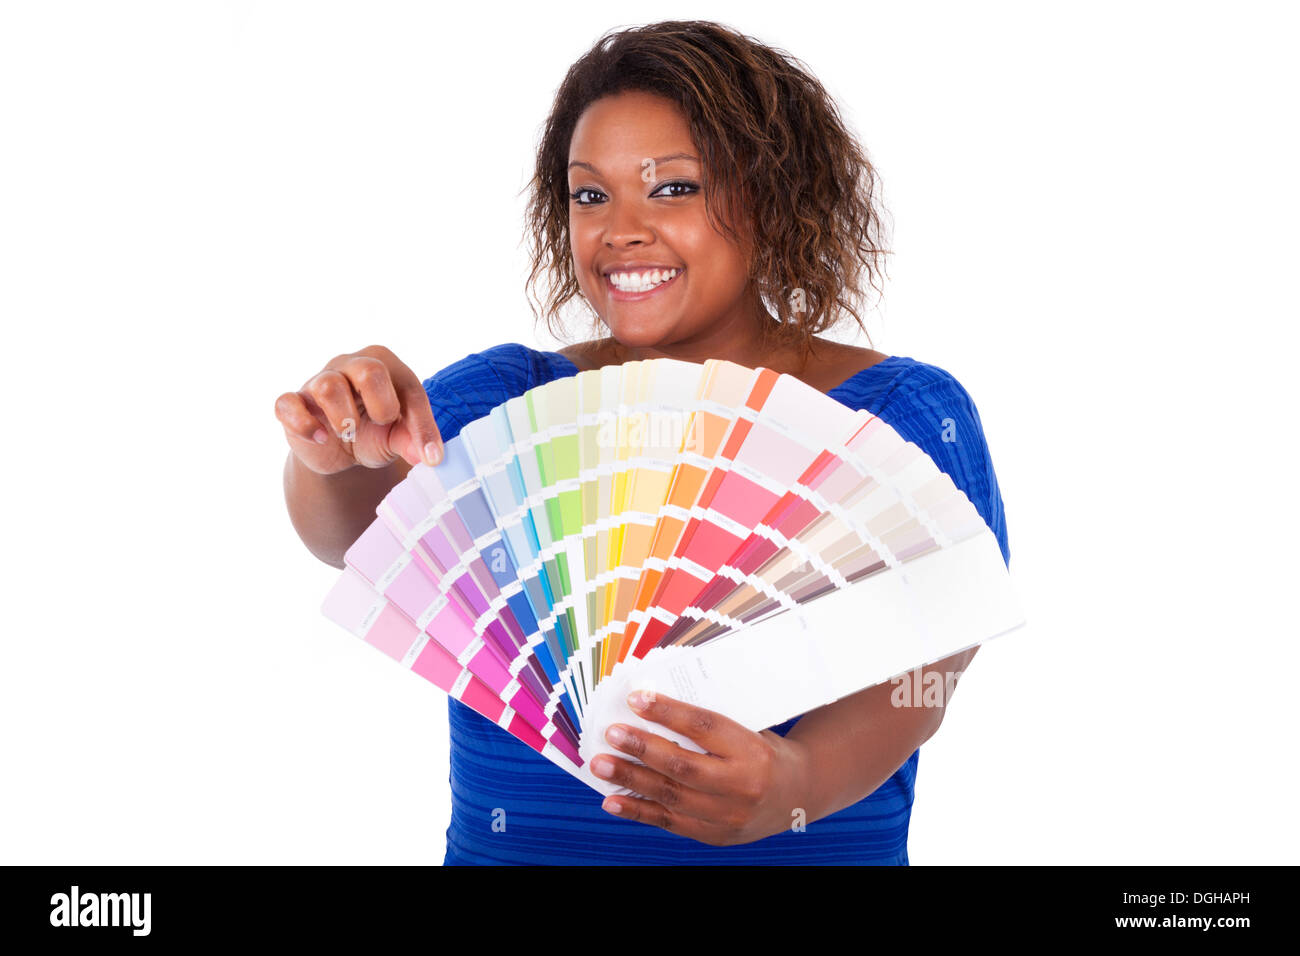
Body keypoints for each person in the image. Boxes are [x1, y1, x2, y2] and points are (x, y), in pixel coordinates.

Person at [276, 20, 1009, 865]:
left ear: (772, 198)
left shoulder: (898, 411)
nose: (619, 228)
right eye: (591, 195)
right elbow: (357, 534)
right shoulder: (512, 397)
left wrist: (796, 783)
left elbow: (931, 658)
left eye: (672, 189)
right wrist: (328, 456)